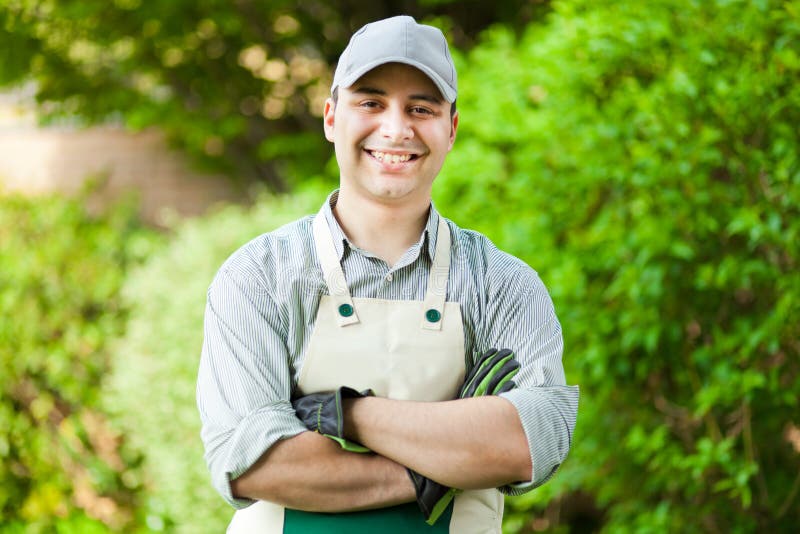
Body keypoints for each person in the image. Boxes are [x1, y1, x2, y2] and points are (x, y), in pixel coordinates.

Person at [197, 15, 579, 533]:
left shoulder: (502, 285)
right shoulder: (259, 278)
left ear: (451, 128)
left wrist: (348, 415)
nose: (397, 128)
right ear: (332, 117)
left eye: (421, 108)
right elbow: (254, 460)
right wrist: (445, 464)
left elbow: (535, 442)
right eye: (371, 103)